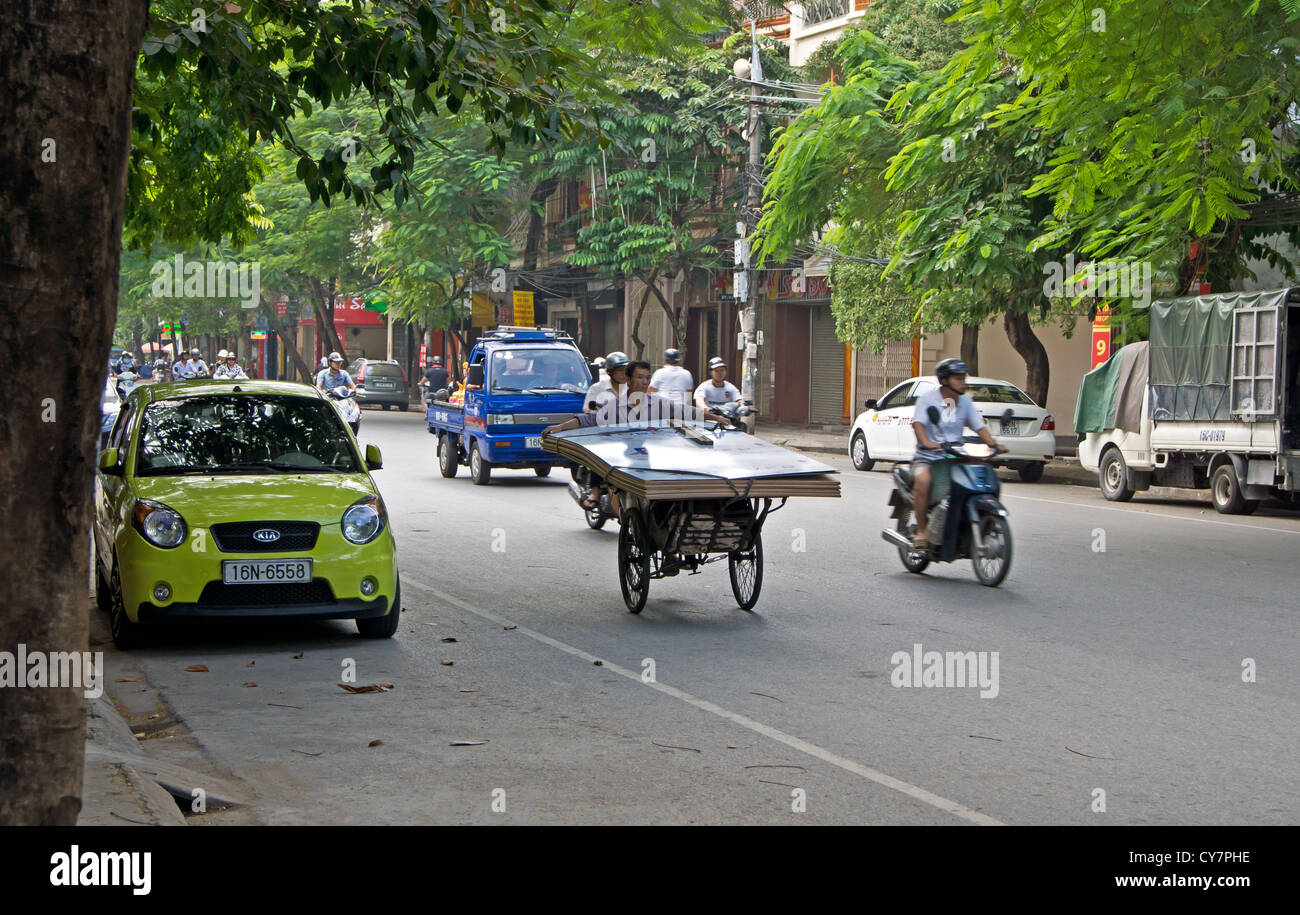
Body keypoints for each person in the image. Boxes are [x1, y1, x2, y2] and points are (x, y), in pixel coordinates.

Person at [543, 361, 727, 511]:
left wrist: (716, 417)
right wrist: (560, 427)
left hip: (655, 461)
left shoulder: (659, 404)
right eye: (640, 377)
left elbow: (688, 412)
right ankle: (619, 515)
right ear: (629, 380)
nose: (645, 382)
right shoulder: (614, 407)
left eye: (648, 378)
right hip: (623, 462)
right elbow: (587, 420)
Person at [910, 358, 1008, 548]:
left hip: (956, 457)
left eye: (964, 378)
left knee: (983, 479)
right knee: (923, 480)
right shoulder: (928, 400)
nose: (963, 382)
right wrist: (926, 442)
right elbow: (918, 424)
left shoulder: (965, 402)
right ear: (945, 380)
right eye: (958, 378)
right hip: (929, 457)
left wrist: (994, 444)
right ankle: (922, 531)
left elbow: (979, 427)